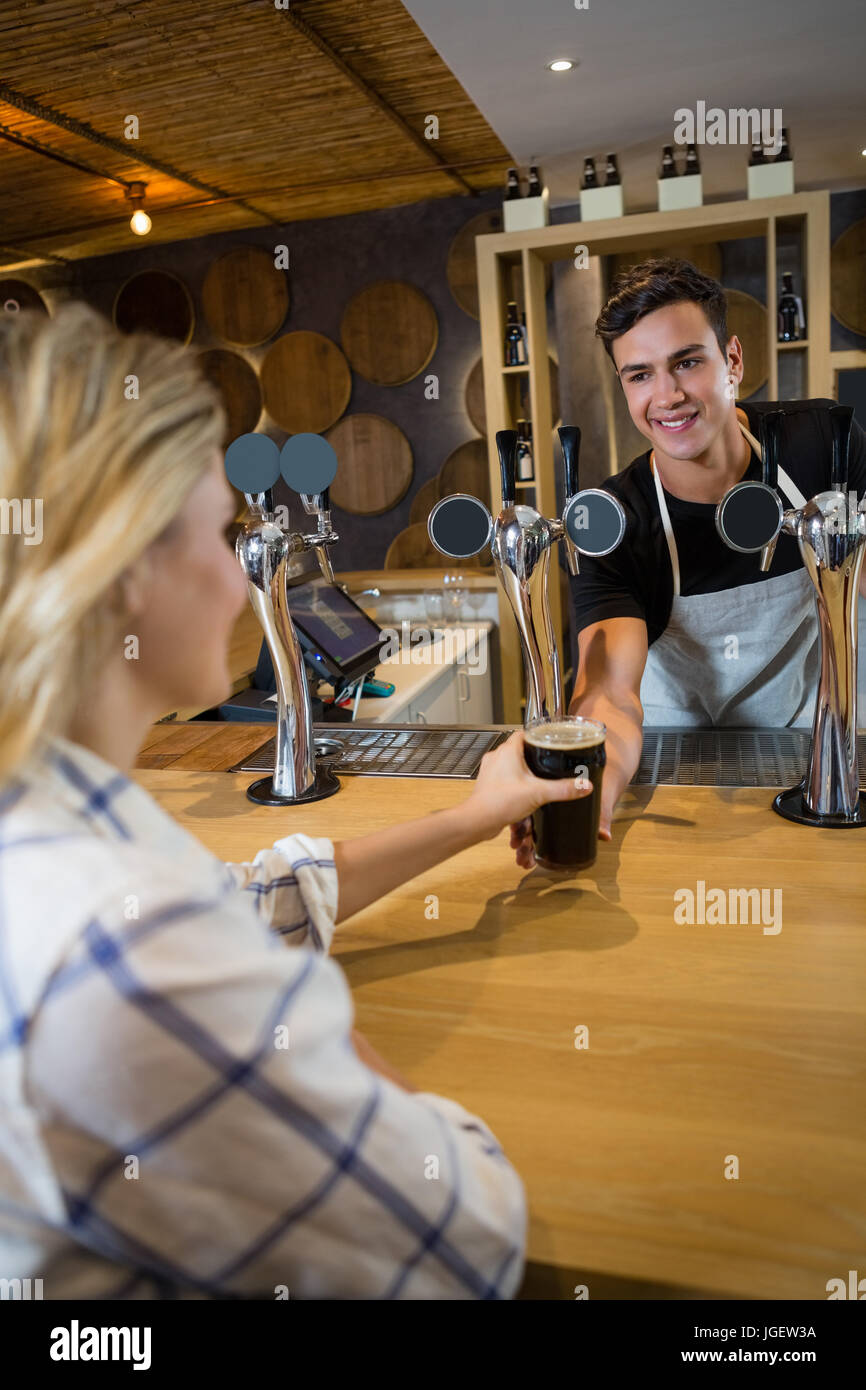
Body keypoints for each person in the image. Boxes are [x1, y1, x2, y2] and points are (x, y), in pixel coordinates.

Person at [0, 303, 592, 1300]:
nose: (244, 583)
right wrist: (312, 1021)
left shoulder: (57, 810)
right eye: (222, 532)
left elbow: (251, 900)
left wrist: (475, 813)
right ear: (126, 565)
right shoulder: (119, 953)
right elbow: (464, 1240)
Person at [509, 258, 866, 869]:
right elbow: (608, 694)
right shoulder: (613, 519)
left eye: (687, 362)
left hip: (808, 750)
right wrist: (585, 795)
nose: (667, 396)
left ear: (732, 361)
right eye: (639, 375)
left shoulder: (821, 449)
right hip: (670, 763)